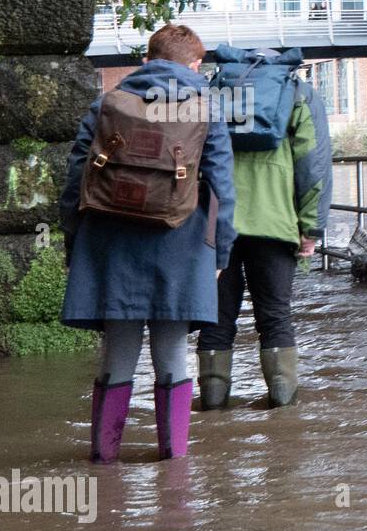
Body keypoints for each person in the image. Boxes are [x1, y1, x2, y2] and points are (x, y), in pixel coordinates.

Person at [59, 24, 236, 463]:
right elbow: (223, 190)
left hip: (110, 240)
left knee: (118, 348)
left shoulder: (106, 104)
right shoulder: (206, 108)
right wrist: (221, 251)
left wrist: (74, 243)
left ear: (146, 59)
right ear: (195, 65)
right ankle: (173, 464)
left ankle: (104, 459)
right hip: (180, 241)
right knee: (172, 349)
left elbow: (74, 180)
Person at [196, 50, 332, 409]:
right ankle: (283, 412)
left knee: (216, 318)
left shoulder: (216, 89)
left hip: (215, 223)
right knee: (274, 316)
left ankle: (211, 409)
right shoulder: (299, 93)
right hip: (274, 221)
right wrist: (311, 227)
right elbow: (312, 164)